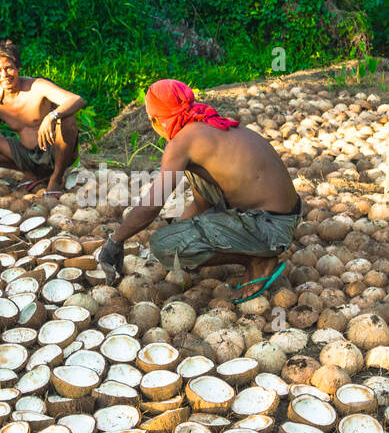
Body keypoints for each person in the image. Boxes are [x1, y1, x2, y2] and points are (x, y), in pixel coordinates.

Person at [96, 79, 303, 303]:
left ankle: (257, 261)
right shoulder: (205, 125)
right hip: (286, 215)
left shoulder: (182, 143)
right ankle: (254, 248)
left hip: (271, 227)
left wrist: (115, 241)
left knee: (163, 245)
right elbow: (202, 201)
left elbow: (153, 205)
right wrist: (180, 233)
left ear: (156, 121)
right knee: (177, 236)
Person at [0, 39, 85, 196]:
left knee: (68, 120)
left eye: (8, 68)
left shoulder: (37, 86)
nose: (4, 75)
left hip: (55, 152)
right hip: (27, 157)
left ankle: (56, 179)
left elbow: (77, 100)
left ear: (17, 67)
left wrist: (51, 116)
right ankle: (33, 175)